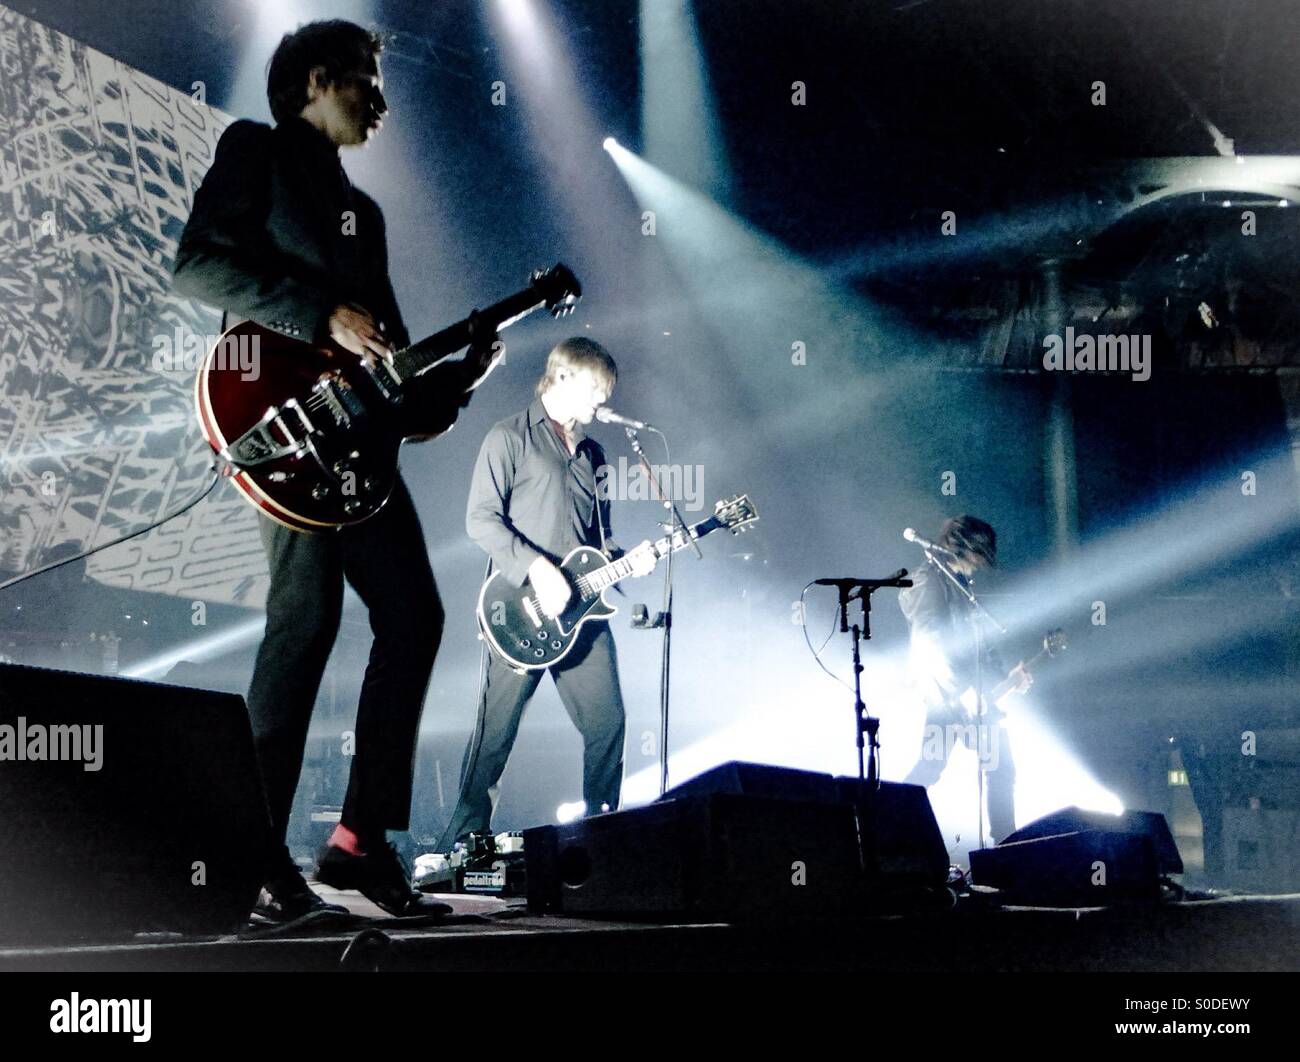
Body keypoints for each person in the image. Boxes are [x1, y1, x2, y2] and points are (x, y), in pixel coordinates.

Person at [173, 20, 498, 922]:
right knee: (305, 626)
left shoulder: (371, 216)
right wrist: (322, 313)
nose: (384, 103)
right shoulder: (256, 151)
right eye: (368, 81)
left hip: (359, 452)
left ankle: (357, 844)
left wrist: (459, 379)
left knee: (415, 616)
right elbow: (195, 266)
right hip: (284, 435)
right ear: (316, 80)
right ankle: (255, 855)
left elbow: (394, 389)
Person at [436, 338, 655, 851]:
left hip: (583, 614)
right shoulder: (508, 437)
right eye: (595, 389)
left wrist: (629, 562)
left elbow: (598, 542)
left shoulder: (594, 454)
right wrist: (536, 568)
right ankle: (461, 843)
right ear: (561, 377)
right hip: (519, 610)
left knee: (609, 725)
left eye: (606, 392)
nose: (601, 401)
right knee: (496, 735)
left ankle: (601, 841)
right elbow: (480, 520)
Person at [898, 515, 1028, 844]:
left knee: (1001, 770)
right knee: (929, 769)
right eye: (979, 555)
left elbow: (978, 647)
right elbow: (930, 642)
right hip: (947, 698)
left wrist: (1005, 678)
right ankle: (883, 829)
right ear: (963, 547)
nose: (981, 564)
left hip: (971, 698)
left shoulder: (960, 585)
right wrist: (961, 696)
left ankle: (1006, 852)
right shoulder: (930, 580)